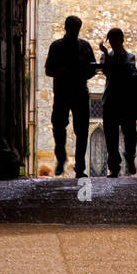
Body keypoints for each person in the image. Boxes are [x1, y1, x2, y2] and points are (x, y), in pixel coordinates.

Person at [44, 15, 97, 177]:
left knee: (81, 130)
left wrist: (82, 74)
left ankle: (79, 167)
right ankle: (61, 158)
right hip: (62, 93)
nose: (75, 31)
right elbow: (48, 70)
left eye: (77, 28)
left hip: (80, 92)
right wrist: (63, 72)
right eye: (73, 28)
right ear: (66, 28)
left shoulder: (85, 46)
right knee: (59, 127)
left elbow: (93, 69)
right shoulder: (56, 46)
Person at [97, 27, 137, 177]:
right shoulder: (106, 56)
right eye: (111, 41)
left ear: (121, 40)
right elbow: (107, 71)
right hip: (110, 101)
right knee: (111, 136)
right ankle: (114, 167)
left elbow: (127, 71)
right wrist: (106, 54)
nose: (113, 44)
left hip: (127, 101)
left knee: (131, 134)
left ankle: (130, 157)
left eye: (115, 40)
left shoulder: (130, 57)